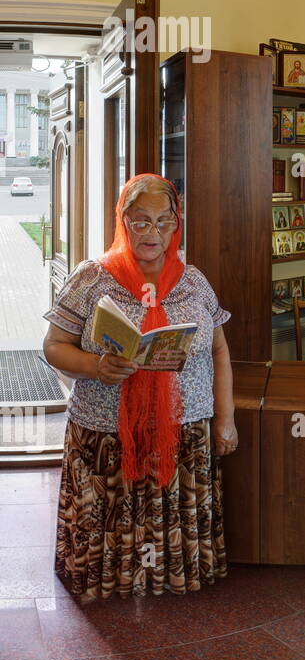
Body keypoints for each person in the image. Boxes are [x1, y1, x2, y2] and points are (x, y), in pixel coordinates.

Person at [41, 174, 235, 601]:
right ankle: (112, 582)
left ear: (176, 224)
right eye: (142, 221)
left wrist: (227, 420)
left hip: (184, 426)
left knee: (168, 507)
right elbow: (54, 346)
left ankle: (168, 578)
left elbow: (219, 351)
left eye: (165, 222)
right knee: (115, 511)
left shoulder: (194, 281)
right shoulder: (92, 277)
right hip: (105, 431)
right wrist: (95, 365)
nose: (154, 233)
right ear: (123, 220)